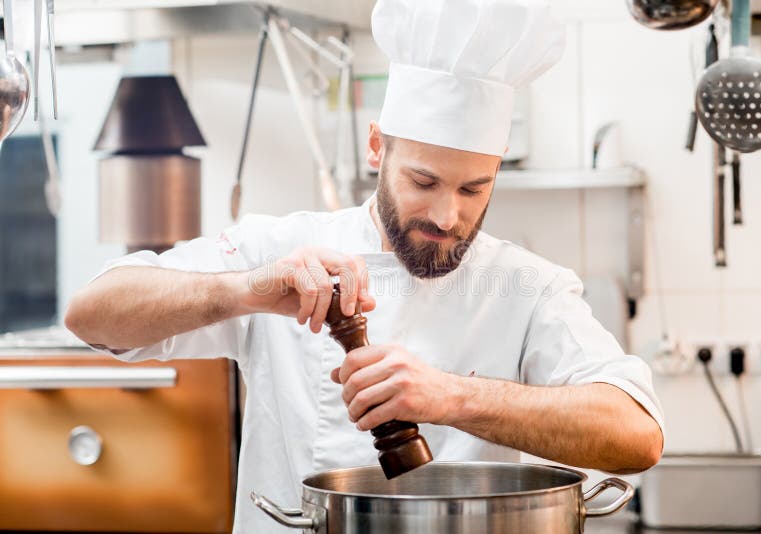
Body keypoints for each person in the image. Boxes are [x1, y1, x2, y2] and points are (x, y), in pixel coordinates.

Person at [66, 1, 664, 532]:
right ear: (378, 147)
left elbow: (637, 435)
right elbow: (91, 315)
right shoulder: (284, 247)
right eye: (423, 180)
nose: (447, 215)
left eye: (474, 188)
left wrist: (453, 398)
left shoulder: (529, 287)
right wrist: (244, 290)